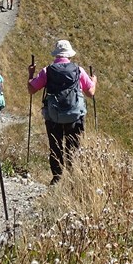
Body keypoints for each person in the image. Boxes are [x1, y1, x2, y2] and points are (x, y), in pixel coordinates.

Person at [28, 40, 97, 184]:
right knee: (73, 146)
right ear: (69, 55)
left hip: (53, 116)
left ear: (56, 54)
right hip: (75, 115)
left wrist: (30, 74)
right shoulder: (78, 70)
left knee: (55, 145)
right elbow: (91, 93)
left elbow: (31, 90)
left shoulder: (47, 71)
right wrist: (94, 81)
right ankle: (73, 177)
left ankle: (57, 178)